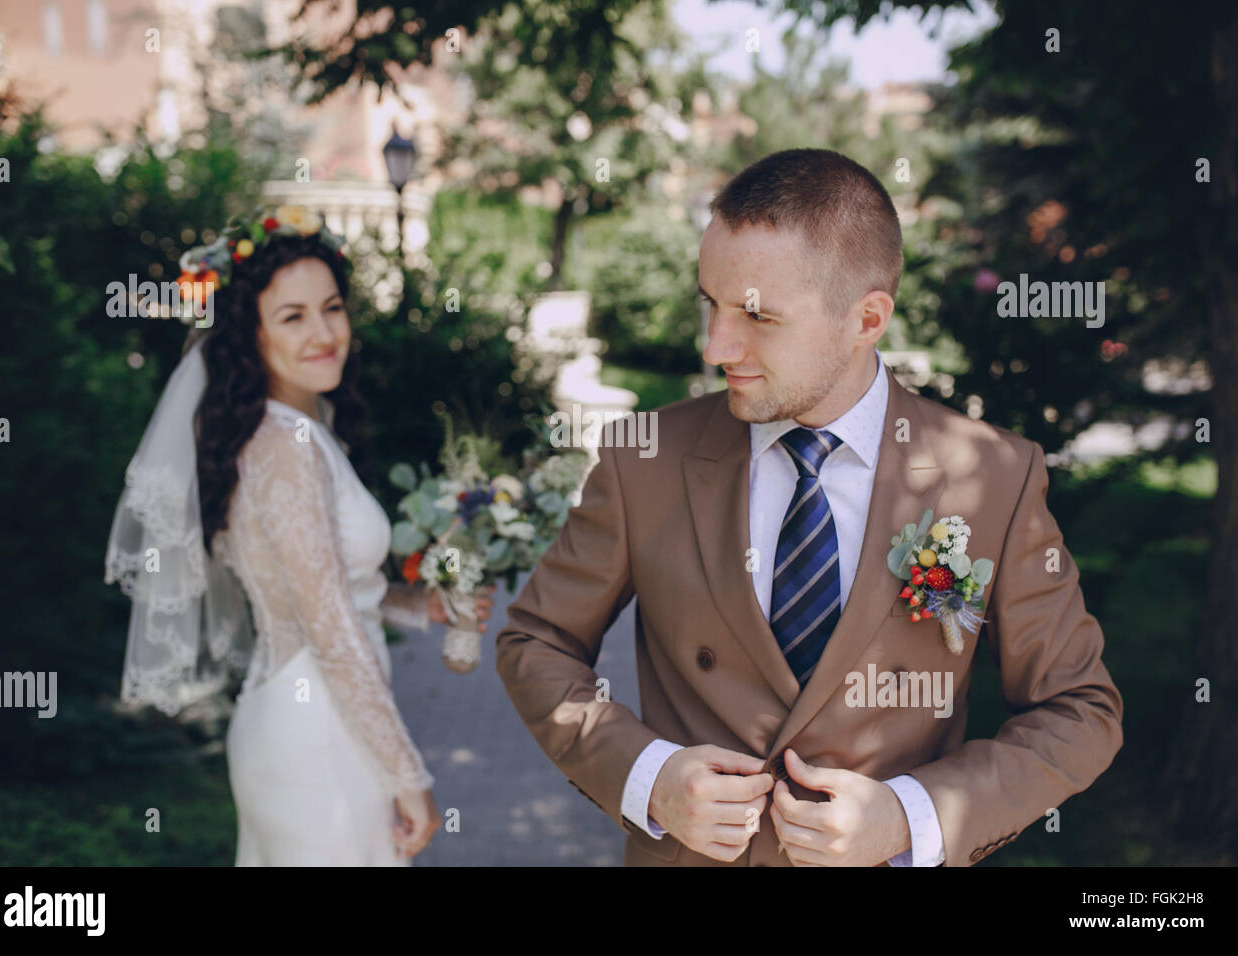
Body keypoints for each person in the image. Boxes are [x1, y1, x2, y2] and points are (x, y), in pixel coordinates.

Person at [494, 150, 1124, 867]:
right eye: (712, 304)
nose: (716, 346)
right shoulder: (644, 459)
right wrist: (648, 777)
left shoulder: (994, 477)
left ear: (866, 319)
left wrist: (911, 816)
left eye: (757, 315)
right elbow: (536, 643)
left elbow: (1080, 712)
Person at [105, 206, 492, 865]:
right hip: (318, 740)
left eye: (332, 308)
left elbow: (312, 594)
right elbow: (331, 633)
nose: (323, 332)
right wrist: (412, 778)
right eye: (292, 316)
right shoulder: (283, 444)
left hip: (310, 721)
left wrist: (415, 607)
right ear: (249, 336)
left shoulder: (292, 430)